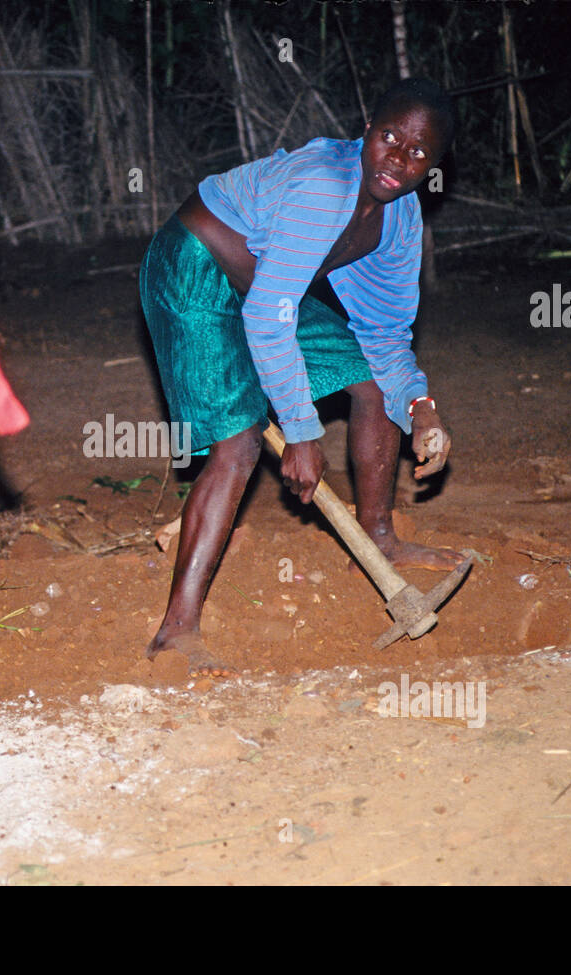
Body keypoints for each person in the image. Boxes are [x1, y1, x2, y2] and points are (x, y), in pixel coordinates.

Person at [140, 77, 463, 674]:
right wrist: (302, 431)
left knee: (369, 380)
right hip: (195, 267)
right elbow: (268, 316)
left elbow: (386, 338)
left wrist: (421, 408)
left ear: (435, 167)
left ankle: (378, 538)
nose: (397, 159)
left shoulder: (398, 221)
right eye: (389, 137)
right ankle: (176, 629)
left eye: (418, 153)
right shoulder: (324, 185)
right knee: (238, 442)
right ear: (366, 128)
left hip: (266, 290)